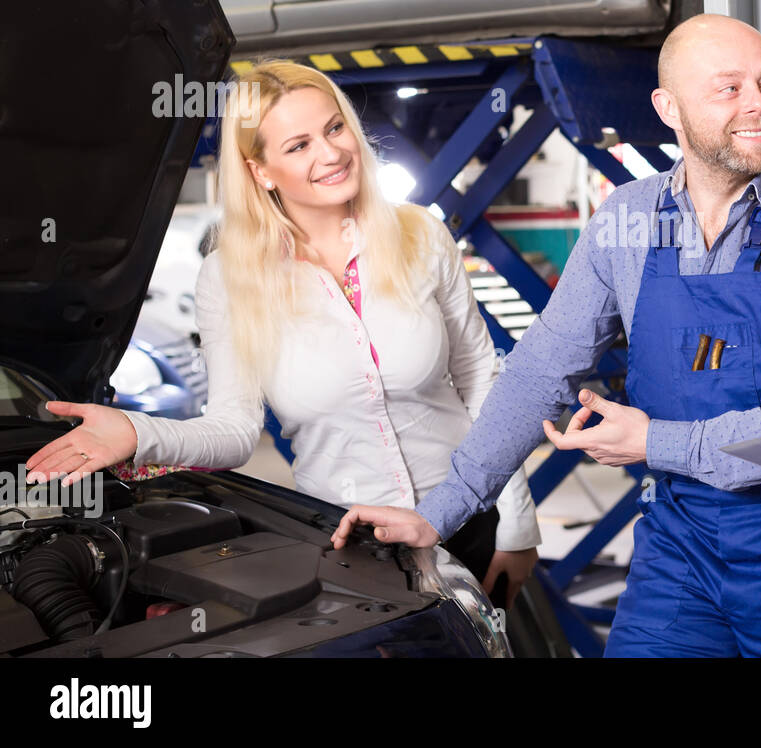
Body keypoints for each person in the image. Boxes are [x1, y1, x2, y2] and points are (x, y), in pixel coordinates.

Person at [333, 14, 761, 657]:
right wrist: (439, 515)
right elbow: (541, 371)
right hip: (682, 558)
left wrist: (654, 441)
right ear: (668, 107)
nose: (760, 104)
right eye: (730, 88)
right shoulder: (628, 221)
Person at [25, 60, 541, 605]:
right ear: (260, 171)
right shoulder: (228, 278)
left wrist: (517, 527)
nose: (331, 153)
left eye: (335, 127)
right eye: (298, 146)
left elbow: (484, 384)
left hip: (468, 524)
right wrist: (138, 433)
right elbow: (235, 429)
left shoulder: (422, 235)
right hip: (349, 544)